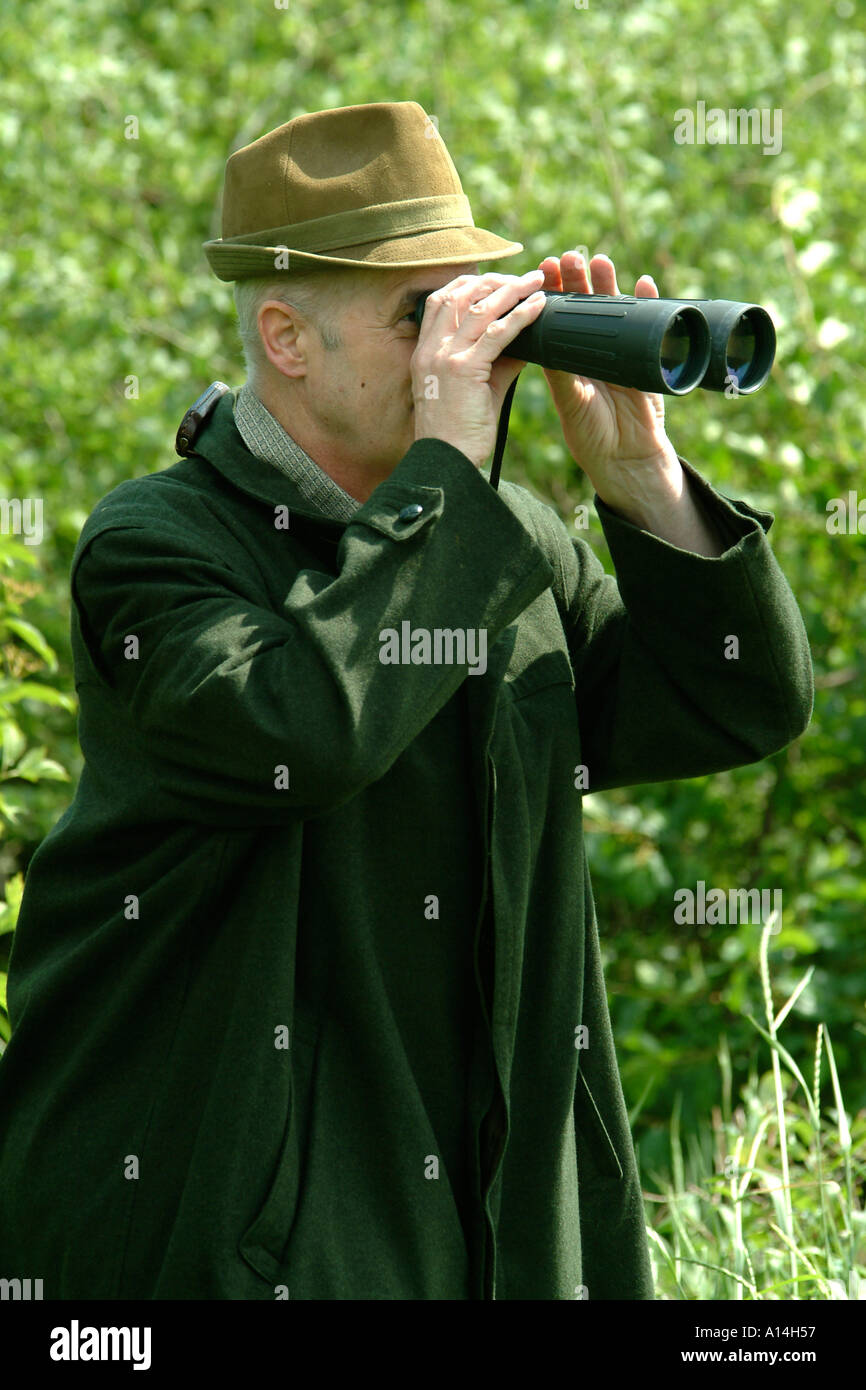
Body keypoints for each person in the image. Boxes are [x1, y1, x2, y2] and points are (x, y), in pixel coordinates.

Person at [0, 100, 812, 1300]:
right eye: (419, 318)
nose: (466, 350)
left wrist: (641, 479)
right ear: (285, 336)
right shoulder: (157, 548)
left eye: (475, 305)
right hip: (233, 1232)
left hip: (486, 1224)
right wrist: (443, 472)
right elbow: (305, 729)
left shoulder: (507, 543)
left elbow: (737, 702)